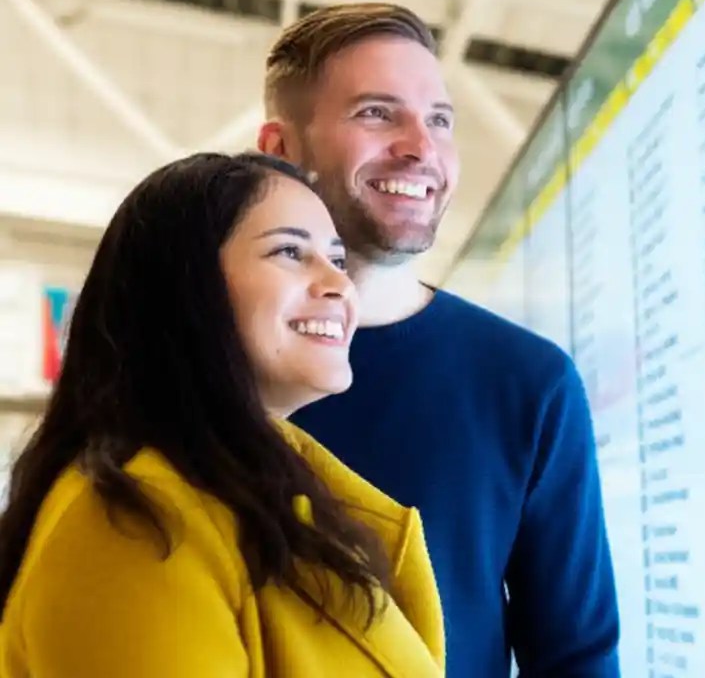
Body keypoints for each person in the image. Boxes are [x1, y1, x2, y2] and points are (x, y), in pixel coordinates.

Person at [257, 3, 620, 676]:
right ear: (281, 152)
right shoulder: (212, 365)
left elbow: (577, 658)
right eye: (376, 112)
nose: (420, 147)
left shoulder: (528, 383)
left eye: (440, 120)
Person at [0, 153, 445, 677]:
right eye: (290, 252)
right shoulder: (132, 523)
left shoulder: (285, 512)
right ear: (186, 288)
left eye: (337, 260)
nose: (339, 286)